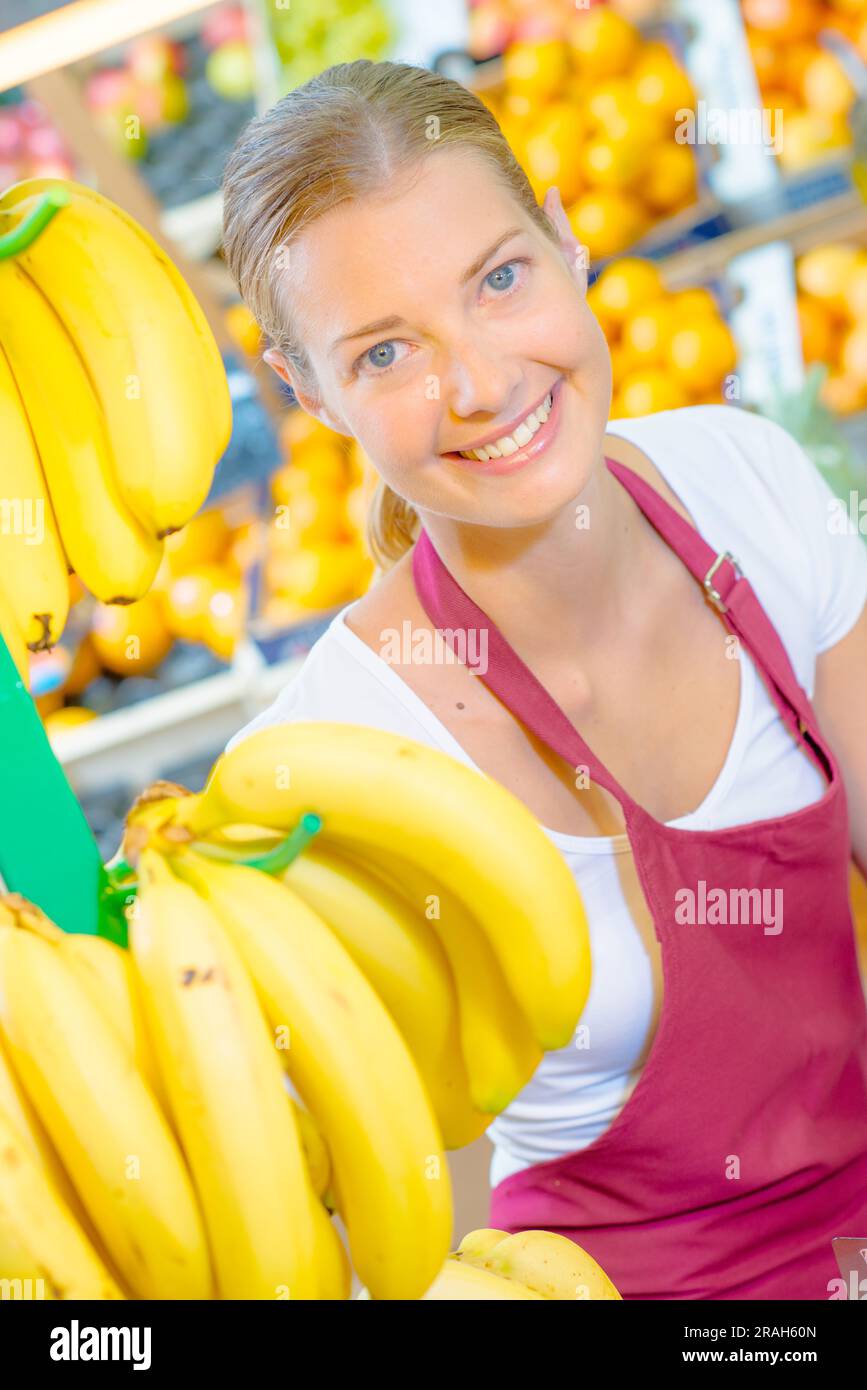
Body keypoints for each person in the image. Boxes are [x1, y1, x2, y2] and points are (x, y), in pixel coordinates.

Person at [220, 59, 867, 1300]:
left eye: (499, 278)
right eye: (387, 352)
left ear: (570, 240)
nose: (478, 385)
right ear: (307, 394)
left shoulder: (752, 482)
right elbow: (404, 1244)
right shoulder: (341, 762)